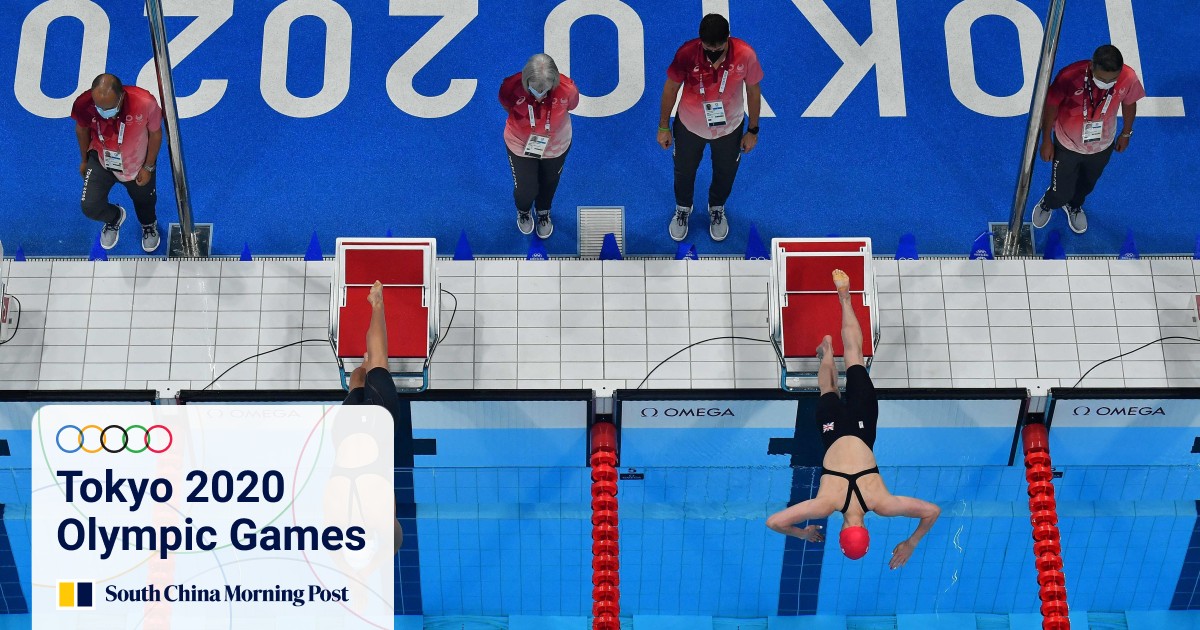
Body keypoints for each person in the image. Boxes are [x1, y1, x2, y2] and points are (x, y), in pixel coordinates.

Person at [766, 270, 940, 567]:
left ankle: (845, 298)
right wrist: (802, 534)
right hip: (833, 431)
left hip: (863, 423)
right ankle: (825, 351)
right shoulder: (825, 505)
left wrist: (911, 543)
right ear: (842, 534)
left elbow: (932, 511)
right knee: (828, 388)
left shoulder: (883, 504)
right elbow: (774, 522)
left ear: (866, 532)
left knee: (855, 356)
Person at [657, 14, 762, 243]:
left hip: (730, 128)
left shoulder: (745, 55)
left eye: (719, 47)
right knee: (683, 172)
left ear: (728, 38)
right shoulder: (686, 54)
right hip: (688, 127)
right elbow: (670, 89)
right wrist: (664, 126)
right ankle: (683, 208)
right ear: (700, 40)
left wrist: (753, 130)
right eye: (708, 47)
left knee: (725, 174)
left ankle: (717, 207)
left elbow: (753, 92)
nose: (713, 52)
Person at [1032, 45, 1144, 235]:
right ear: (1092, 66)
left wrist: (1126, 133)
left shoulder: (1128, 76)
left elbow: (1129, 103)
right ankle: (1049, 202)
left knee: (1087, 184)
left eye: (1112, 79)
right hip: (1067, 143)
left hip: (1103, 144)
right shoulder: (1069, 77)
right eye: (1101, 78)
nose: (1106, 83)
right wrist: (1046, 140)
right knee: (1061, 191)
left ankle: (1074, 206)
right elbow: (1051, 106)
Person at [342, 281, 404, 554]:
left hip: (376, 434)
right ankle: (364, 366)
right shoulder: (346, 516)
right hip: (346, 436)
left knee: (380, 361)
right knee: (356, 382)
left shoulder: (384, 515)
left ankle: (377, 302)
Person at [70, 73, 163, 252]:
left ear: (121, 96)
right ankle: (114, 218)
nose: (103, 113)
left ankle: (148, 225)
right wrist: (84, 160)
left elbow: (155, 134)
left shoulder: (144, 102)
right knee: (89, 206)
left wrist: (148, 166)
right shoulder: (84, 103)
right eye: (98, 107)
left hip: (137, 163)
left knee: (145, 202)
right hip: (101, 159)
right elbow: (81, 129)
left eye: (109, 108)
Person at [499, 54, 580, 239]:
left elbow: (572, 106)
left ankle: (543, 211)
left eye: (545, 90)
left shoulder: (568, 89)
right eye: (535, 90)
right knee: (526, 188)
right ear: (526, 80)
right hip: (520, 143)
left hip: (557, 144)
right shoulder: (510, 86)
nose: (540, 95)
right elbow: (506, 105)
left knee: (549, 182)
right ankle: (524, 211)